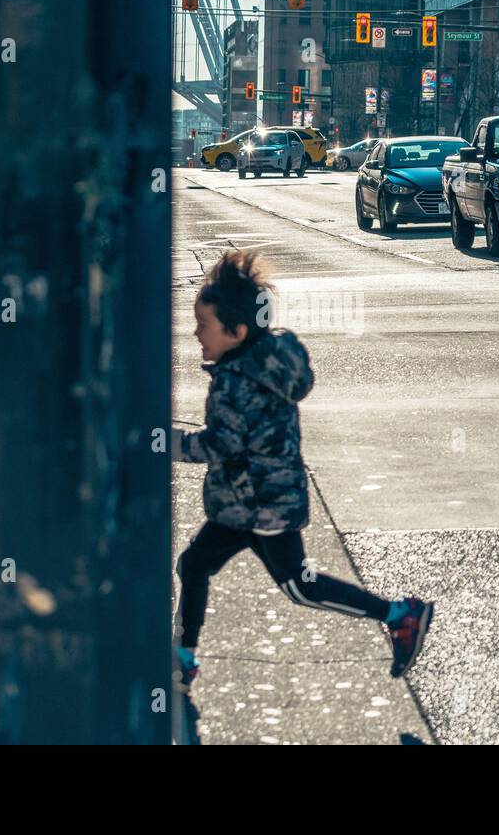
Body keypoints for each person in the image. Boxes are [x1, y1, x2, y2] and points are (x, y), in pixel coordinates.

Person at [172, 250, 433, 691]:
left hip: (264, 509)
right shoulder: (266, 362)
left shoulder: (234, 382)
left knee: (299, 587)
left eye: (203, 326)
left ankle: (400, 615)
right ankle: (182, 656)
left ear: (236, 332)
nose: (196, 334)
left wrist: (166, 444)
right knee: (194, 564)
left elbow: (220, 445)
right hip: (243, 505)